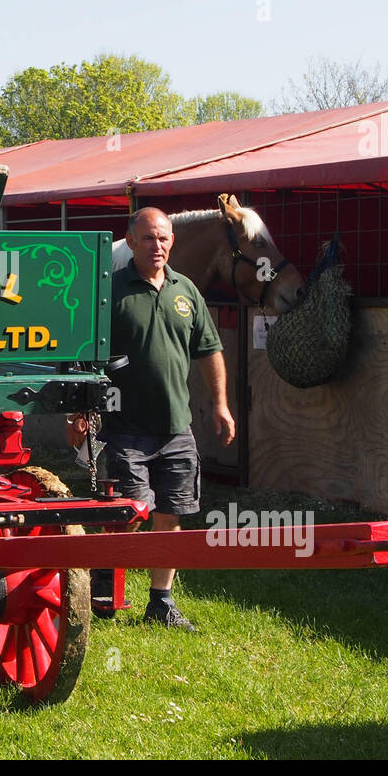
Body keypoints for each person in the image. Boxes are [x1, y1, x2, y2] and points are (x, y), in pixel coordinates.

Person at [77, 206, 236, 629]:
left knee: (171, 512)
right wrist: (80, 411)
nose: (158, 246)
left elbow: (210, 351)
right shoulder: (110, 291)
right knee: (130, 513)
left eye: (164, 238)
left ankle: (161, 602)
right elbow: (84, 355)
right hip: (124, 427)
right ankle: (103, 587)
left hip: (176, 428)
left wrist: (220, 404)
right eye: (149, 238)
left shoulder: (186, 291)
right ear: (130, 241)